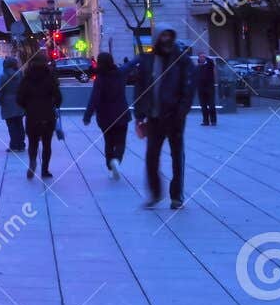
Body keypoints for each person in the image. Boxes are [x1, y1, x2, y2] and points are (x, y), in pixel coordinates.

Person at [133, 29, 195, 209]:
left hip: (175, 117)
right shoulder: (147, 61)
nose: (167, 40)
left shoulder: (182, 61)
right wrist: (139, 115)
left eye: (170, 36)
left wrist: (181, 111)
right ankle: (155, 193)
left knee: (177, 156)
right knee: (151, 156)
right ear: (156, 39)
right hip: (154, 117)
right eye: (163, 36)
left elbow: (188, 89)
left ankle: (176, 196)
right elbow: (140, 89)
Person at [82, 51, 129, 179]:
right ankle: (117, 160)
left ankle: (110, 164)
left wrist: (87, 115)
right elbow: (130, 67)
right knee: (121, 142)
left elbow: (94, 98)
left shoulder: (100, 79)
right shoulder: (120, 74)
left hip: (105, 117)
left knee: (108, 142)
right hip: (121, 114)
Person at [17, 53, 62, 181]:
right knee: (47, 144)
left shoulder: (26, 79)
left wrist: (27, 106)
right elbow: (58, 97)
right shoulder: (50, 78)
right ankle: (45, 170)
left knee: (33, 142)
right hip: (47, 115)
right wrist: (55, 105)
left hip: (32, 115)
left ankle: (32, 161)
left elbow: (19, 98)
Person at [0, 57, 25, 152]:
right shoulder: (20, 74)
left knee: (11, 125)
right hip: (19, 101)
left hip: (7, 103)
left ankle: (14, 145)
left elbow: (0, 91)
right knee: (19, 124)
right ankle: (21, 144)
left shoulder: (3, 76)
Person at [197, 55, 218, 126]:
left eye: (202, 57)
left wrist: (206, 57)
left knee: (211, 105)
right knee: (203, 106)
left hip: (210, 89)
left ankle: (213, 121)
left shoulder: (209, 66)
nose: (201, 58)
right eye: (200, 57)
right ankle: (205, 121)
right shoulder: (197, 68)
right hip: (201, 89)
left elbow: (211, 62)